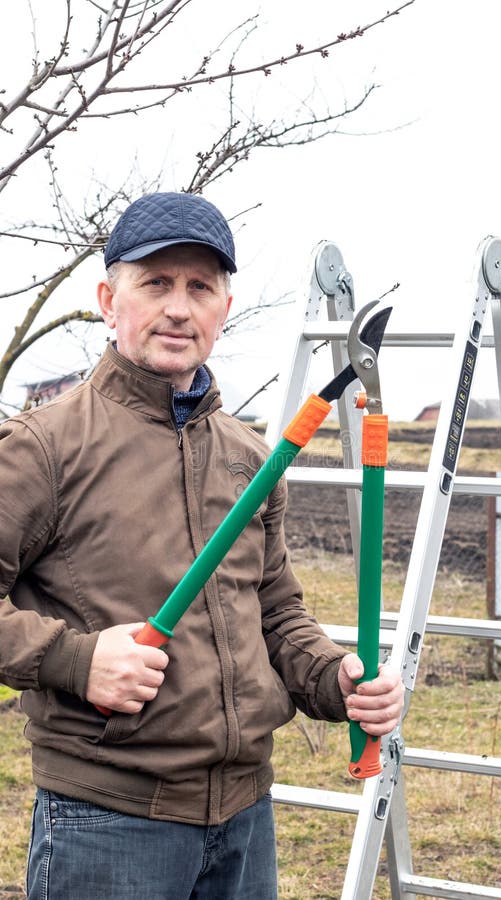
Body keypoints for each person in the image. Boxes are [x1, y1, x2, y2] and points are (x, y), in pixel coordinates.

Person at [0, 191, 404, 899]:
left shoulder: (252, 457)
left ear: (224, 306)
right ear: (108, 297)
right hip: (106, 823)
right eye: (155, 283)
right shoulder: (42, 449)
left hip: (244, 821)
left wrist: (335, 678)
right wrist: (78, 660)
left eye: (200, 286)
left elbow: (275, 616)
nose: (179, 308)